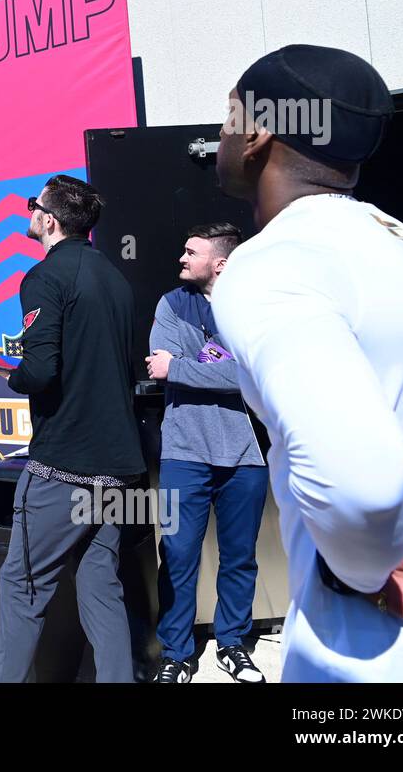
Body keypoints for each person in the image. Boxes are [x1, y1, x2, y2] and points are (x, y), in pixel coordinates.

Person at [212, 44, 403, 681]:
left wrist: (366, 574)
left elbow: (361, 480)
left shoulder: (275, 263)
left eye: (227, 118)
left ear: (257, 133)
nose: (217, 136)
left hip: (368, 654)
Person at [0, 174, 145, 683]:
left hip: (64, 465)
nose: (29, 213)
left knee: (21, 586)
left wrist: (8, 372)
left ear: (48, 220)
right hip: (120, 467)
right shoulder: (115, 279)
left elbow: (40, 372)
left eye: (34, 206)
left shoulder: (44, 278)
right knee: (100, 582)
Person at [146, 223, 268, 683]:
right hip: (184, 452)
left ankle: (233, 644)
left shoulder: (254, 308)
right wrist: (188, 367)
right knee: (178, 555)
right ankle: (176, 654)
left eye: (190, 251)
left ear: (219, 263)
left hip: (246, 456)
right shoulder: (172, 304)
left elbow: (254, 374)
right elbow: (160, 367)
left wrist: (183, 365)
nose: (181, 257)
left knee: (240, 556)